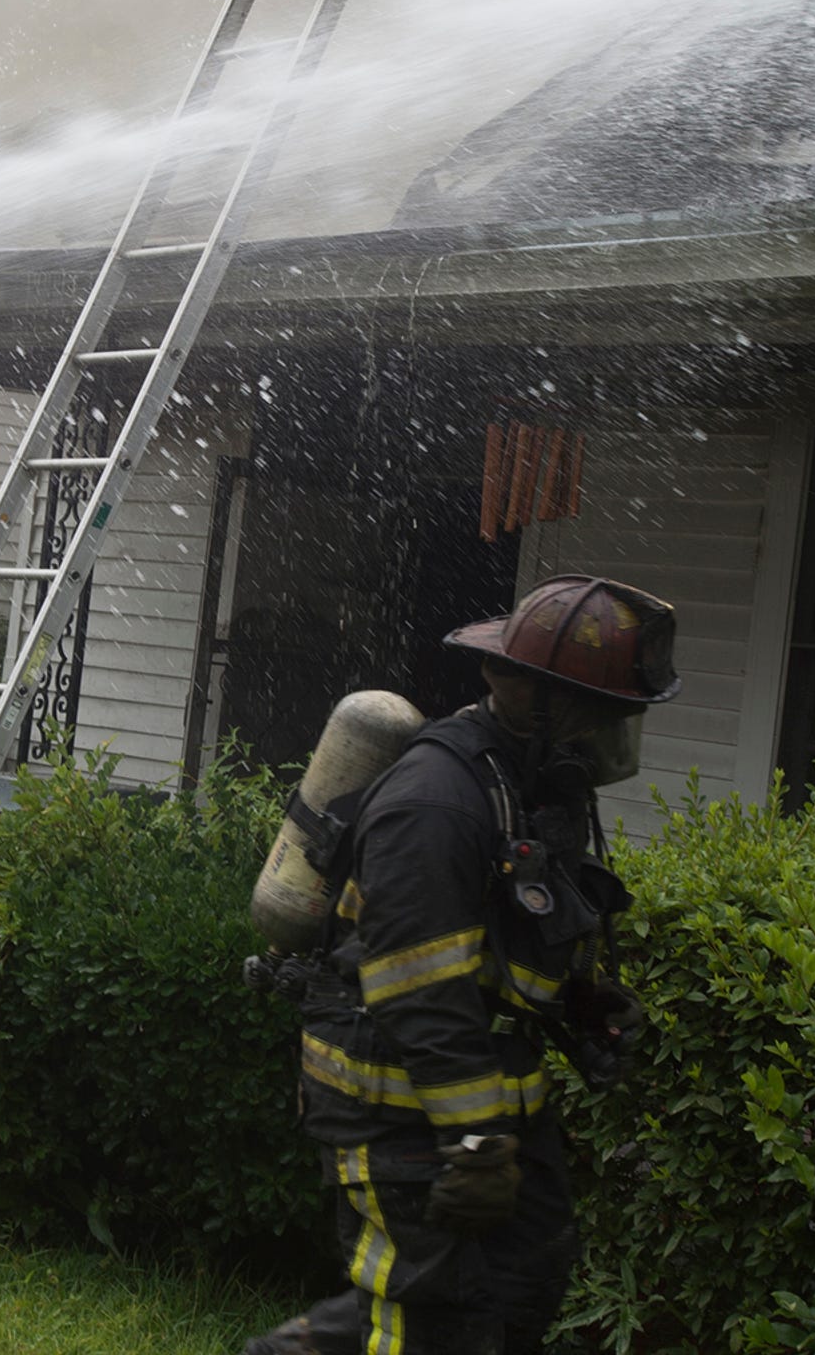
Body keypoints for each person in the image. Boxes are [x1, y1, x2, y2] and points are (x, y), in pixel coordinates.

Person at [246, 575, 672, 1355]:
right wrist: (476, 1141)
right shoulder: (436, 801)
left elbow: (498, 942)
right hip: (397, 1103)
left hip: (485, 1104)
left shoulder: (525, 783)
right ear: (540, 702)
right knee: (433, 1318)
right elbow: (420, 990)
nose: (614, 739)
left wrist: (576, 1001)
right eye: (603, 716)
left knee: (518, 1291)